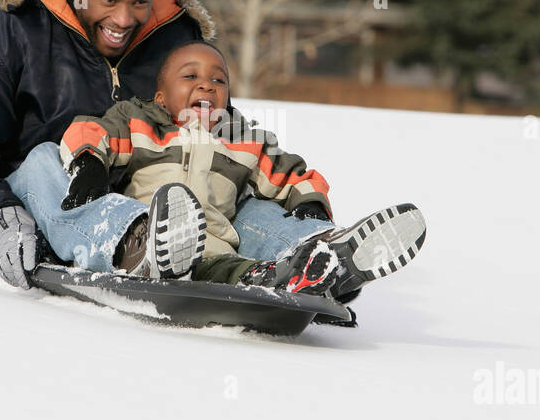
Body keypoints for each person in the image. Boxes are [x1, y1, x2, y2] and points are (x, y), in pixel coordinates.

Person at [0, 0, 343, 291]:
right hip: (47, 202)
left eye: (139, 2)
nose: (124, 19)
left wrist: (295, 195)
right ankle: (133, 242)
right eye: (109, 1)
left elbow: (219, 133)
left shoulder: (177, 40)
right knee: (46, 159)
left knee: (235, 190)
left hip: (163, 196)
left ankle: (312, 255)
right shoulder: (8, 32)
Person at [55, 40, 427, 299]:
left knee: (234, 269)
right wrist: (89, 164)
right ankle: (170, 253)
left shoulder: (241, 138)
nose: (207, 84)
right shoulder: (140, 123)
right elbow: (92, 131)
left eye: (219, 80)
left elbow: (287, 172)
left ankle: (324, 256)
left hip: (213, 247)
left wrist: (310, 203)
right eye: (190, 77)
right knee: (199, 255)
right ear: (160, 96)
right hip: (148, 236)